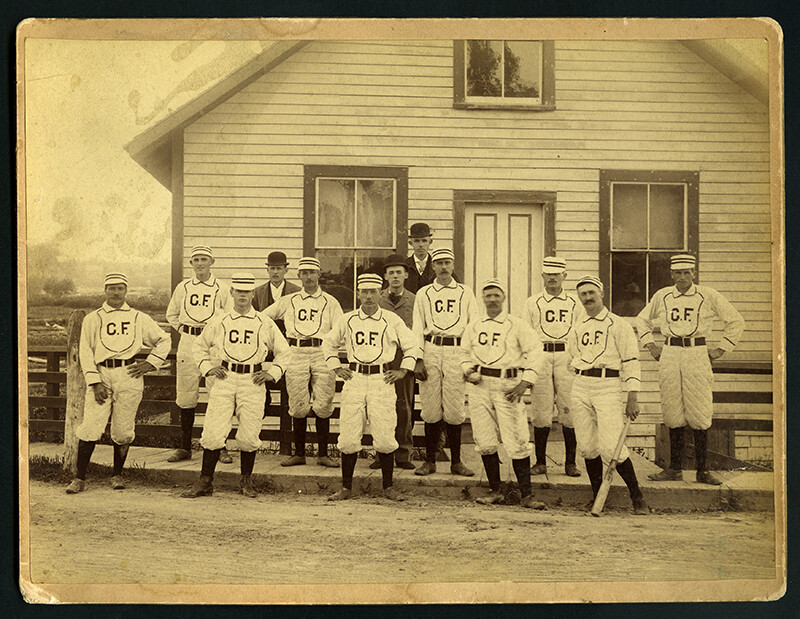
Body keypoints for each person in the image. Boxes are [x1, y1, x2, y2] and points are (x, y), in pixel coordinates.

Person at [637, 254, 745, 485]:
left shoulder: (708, 295)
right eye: (678, 272)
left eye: (687, 272)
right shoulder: (663, 295)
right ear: (672, 274)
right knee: (672, 409)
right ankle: (674, 468)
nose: (683, 277)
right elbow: (641, 320)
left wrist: (721, 349)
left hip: (697, 352)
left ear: (694, 273)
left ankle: (702, 470)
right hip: (670, 352)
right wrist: (650, 345)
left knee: (700, 410)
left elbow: (736, 320)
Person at [182, 273, 289, 498]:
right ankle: (205, 481)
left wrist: (272, 373)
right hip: (225, 378)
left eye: (247, 292)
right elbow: (198, 347)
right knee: (213, 432)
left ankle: (246, 482)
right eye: (238, 291)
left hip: (252, 380)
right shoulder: (219, 321)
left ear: (253, 294)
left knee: (249, 435)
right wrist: (207, 368)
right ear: (231, 292)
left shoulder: (264, 322)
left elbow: (284, 352)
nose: (242, 296)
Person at [66, 273, 171, 494]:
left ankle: (117, 475)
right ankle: (79, 478)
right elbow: (85, 352)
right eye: (111, 288)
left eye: (120, 288)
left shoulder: (138, 317)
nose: (115, 292)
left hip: (129, 374)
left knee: (123, 429)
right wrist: (94, 382)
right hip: (102, 374)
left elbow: (164, 339)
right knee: (91, 427)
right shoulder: (93, 318)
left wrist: (150, 363)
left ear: (126, 291)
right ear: (105, 290)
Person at [322, 273, 419, 501]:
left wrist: (403, 370)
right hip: (354, 379)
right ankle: (346, 487)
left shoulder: (392, 319)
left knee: (385, 436)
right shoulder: (347, 319)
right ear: (358, 294)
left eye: (373, 292)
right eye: (364, 292)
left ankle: (388, 487)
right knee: (348, 436)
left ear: (380, 293)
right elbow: (328, 342)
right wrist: (336, 367)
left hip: (381, 380)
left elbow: (412, 345)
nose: (368, 297)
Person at [461, 279, 547, 509]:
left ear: (504, 298)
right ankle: (496, 491)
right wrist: (468, 371)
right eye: (488, 295)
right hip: (480, 386)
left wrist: (526, 381)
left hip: (508, 385)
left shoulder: (516, 324)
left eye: (496, 295)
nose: (492, 300)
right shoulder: (474, 325)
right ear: (482, 298)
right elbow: (463, 353)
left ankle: (527, 495)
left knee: (517, 438)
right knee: (484, 439)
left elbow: (536, 351)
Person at [567, 276, 649, 515]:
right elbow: (571, 357)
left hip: (608, 385)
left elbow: (631, 361)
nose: (587, 298)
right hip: (581, 385)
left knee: (612, 445)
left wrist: (632, 396)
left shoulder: (618, 324)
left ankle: (637, 497)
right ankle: (597, 497)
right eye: (583, 294)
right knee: (587, 446)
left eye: (591, 293)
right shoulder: (577, 326)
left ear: (601, 294)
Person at [263, 257, 344, 467]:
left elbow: (340, 329)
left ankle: (323, 454)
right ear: (298, 275)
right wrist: (278, 342)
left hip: (321, 352)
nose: (308, 277)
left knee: (323, 403)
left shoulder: (330, 302)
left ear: (319, 274)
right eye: (304, 273)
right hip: (296, 351)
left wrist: (331, 349)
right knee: (298, 403)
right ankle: (299, 453)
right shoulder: (289, 300)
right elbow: (263, 318)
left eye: (312, 272)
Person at [412, 247, 477, 477]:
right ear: (433, 266)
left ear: (453, 265)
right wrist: (418, 359)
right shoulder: (424, 293)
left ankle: (456, 462)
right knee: (430, 407)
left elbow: (473, 326)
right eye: (439, 263)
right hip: (431, 348)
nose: (443, 267)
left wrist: (470, 360)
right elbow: (417, 327)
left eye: (447, 262)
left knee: (455, 408)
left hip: (456, 350)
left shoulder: (465, 292)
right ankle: (430, 461)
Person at [165, 245, 232, 464]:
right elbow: (171, 314)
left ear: (212, 262)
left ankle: (219, 446)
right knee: (186, 395)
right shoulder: (183, 287)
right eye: (196, 260)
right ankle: (185, 447)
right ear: (191, 263)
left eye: (204, 259)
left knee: (217, 394)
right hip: (189, 342)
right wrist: (186, 331)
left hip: (213, 344)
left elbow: (230, 317)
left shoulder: (222, 288)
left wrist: (214, 335)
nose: (200, 263)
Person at [523, 257, 583, 477]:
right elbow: (525, 335)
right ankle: (540, 462)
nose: (552, 278)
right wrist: (528, 363)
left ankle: (570, 462)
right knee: (541, 410)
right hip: (541, 355)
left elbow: (581, 332)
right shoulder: (532, 302)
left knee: (569, 409)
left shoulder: (575, 302)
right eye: (548, 274)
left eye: (556, 274)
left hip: (566, 355)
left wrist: (579, 360)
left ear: (564, 276)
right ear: (542, 276)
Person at [367, 254, 417, 470]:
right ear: (385, 277)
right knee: (380, 406)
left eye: (399, 272)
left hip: (404, 359)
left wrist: (416, 361)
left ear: (406, 275)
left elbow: (419, 333)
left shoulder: (415, 300)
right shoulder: (377, 300)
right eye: (391, 273)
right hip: (380, 358)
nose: (395, 276)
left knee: (403, 407)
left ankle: (404, 454)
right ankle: (382, 453)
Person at [252, 251, 301, 420]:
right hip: (264, 344)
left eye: (279, 268)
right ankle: (264, 400)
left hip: (288, 344)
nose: (275, 272)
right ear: (267, 270)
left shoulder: (297, 292)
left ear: (286, 270)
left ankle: (288, 417)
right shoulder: (257, 293)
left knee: (290, 383)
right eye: (272, 268)